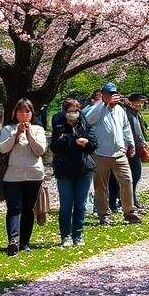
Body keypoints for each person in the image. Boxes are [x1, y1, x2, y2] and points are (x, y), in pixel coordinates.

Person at [83, 83, 141, 225]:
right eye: (109, 94)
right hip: (101, 153)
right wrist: (104, 105)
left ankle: (129, 212)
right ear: (103, 94)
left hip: (119, 153)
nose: (112, 96)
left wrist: (130, 144)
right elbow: (87, 120)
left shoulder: (120, 110)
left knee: (127, 181)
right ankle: (104, 214)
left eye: (114, 93)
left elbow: (126, 128)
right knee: (101, 186)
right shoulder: (96, 109)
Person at [0, 99, 48, 257]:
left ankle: (25, 242)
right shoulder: (7, 129)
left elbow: (40, 150)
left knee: (27, 209)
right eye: (20, 111)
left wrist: (29, 134)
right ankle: (13, 241)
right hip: (13, 176)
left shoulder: (38, 129)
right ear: (15, 113)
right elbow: (2, 149)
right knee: (14, 209)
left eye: (27, 111)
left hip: (34, 175)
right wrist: (17, 133)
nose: (23, 115)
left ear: (32, 114)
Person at [50, 99, 97, 247]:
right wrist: (71, 140)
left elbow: (94, 144)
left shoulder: (84, 124)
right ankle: (65, 235)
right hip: (64, 170)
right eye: (70, 111)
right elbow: (55, 147)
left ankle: (78, 234)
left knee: (80, 205)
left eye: (76, 111)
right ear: (65, 112)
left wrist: (87, 143)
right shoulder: (59, 125)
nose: (73, 114)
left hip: (83, 170)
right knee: (66, 205)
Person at [124, 93, 149, 211]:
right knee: (134, 175)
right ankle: (130, 200)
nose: (140, 104)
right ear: (131, 102)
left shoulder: (136, 115)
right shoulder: (128, 114)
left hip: (137, 149)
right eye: (138, 102)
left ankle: (132, 199)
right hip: (131, 150)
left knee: (136, 175)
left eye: (142, 102)